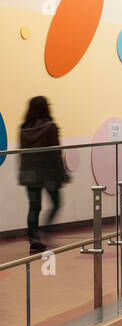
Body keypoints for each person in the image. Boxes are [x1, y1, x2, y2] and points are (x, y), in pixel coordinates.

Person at [18, 96, 69, 254]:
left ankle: (34, 239)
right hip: (48, 174)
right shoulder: (50, 127)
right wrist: (62, 174)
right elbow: (55, 153)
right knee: (56, 203)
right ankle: (45, 230)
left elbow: (22, 153)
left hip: (29, 174)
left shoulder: (24, 128)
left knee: (34, 207)